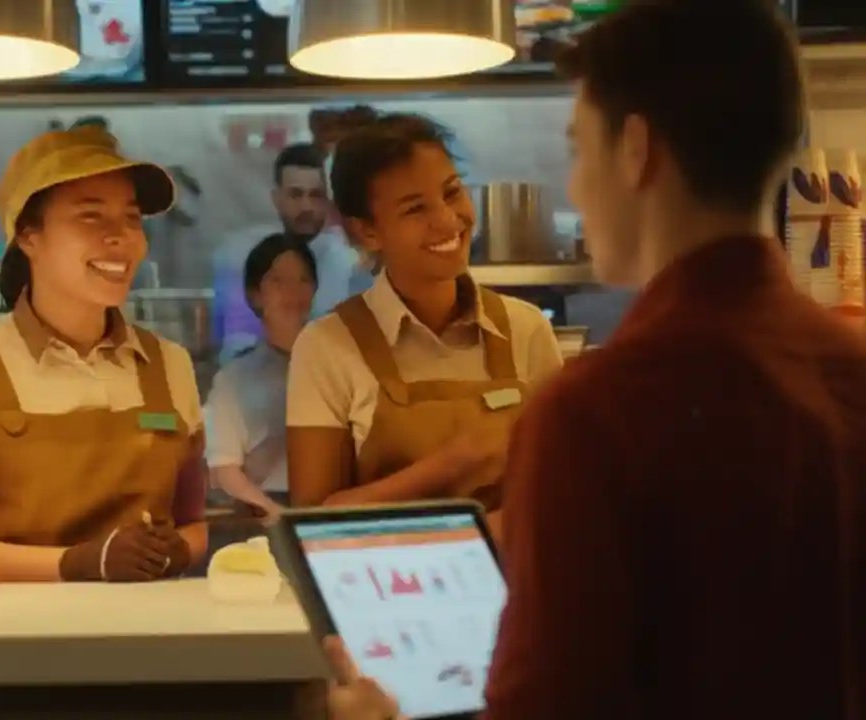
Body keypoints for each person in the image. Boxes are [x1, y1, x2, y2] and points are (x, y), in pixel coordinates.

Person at [324, 1, 866, 718]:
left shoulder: (595, 412)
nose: (577, 187)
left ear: (636, 148)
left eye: (580, 148)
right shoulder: (851, 368)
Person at [0, 127, 209, 583]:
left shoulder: (171, 364)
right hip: (18, 634)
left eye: (131, 218)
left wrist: (176, 551)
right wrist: (77, 563)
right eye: (90, 217)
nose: (119, 236)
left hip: (153, 630)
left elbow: (194, 523)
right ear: (29, 237)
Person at [286, 114, 564, 538]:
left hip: (516, 596)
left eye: (452, 193)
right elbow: (311, 527)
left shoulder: (526, 330)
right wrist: (456, 462)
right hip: (384, 591)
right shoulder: (325, 347)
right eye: (416, 208)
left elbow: (564, 492)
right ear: (367, 231)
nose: (448, 220)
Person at [212, 142, 371, 361]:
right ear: (276, 198)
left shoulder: (349, 264)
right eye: (296, 195)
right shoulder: (242, 256)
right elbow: (236, 342)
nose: (306, 206)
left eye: (315, 195)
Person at [204, 233, 317, 517]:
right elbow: (224, 469)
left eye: (302, 280)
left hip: (334, 504)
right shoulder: (234, 378)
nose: (293, 292)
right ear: (254, 294)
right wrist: (276, 514)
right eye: (278, 281)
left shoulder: (338, 361)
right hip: (266, 511)